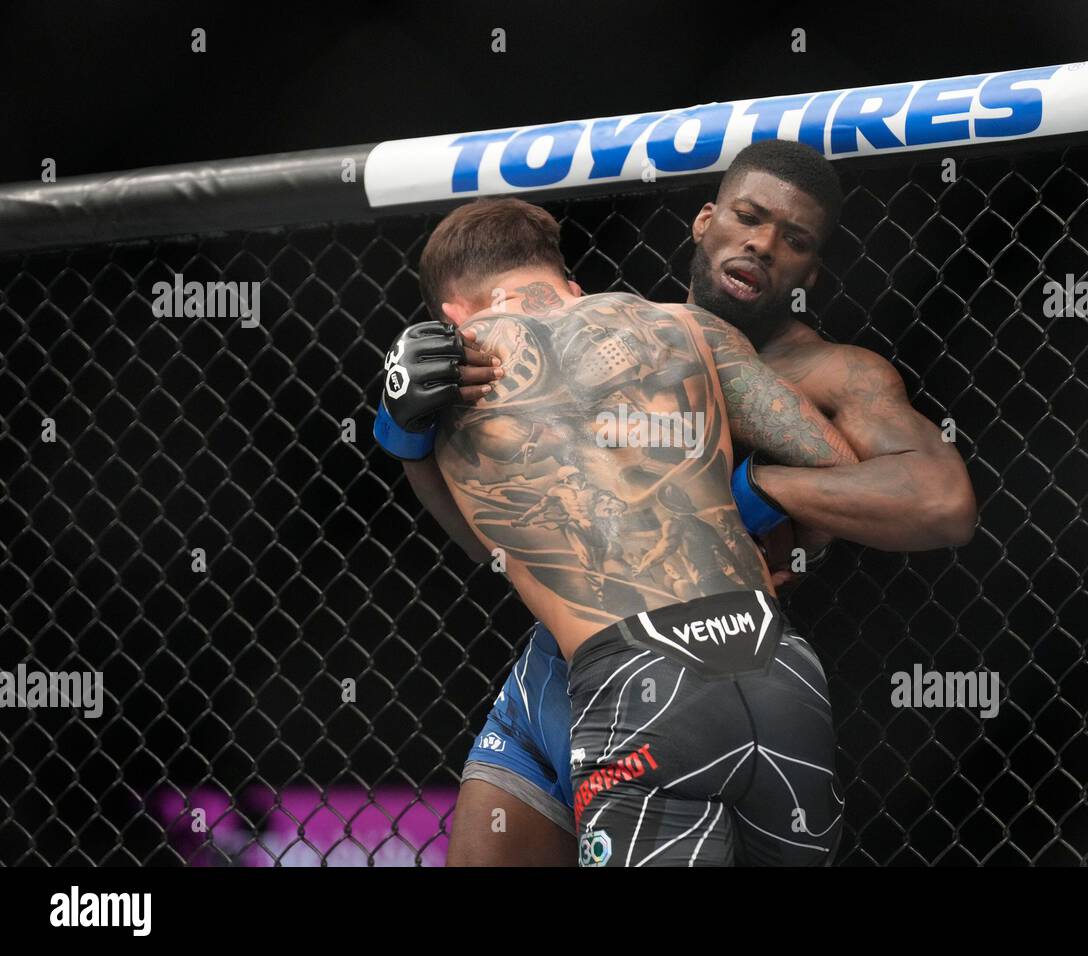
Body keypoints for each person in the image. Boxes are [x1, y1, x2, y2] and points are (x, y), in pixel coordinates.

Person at [385, 140, 976, 865]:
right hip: (569, 663)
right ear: (704, 221)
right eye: (748, 218)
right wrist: (405, 430)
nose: (762, 244)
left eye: (794, 240)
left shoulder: (834, 373)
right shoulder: (650, 324)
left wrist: (760, 490)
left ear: (811, 271)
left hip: (707, 664)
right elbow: (499, 540)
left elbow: (939, 499)